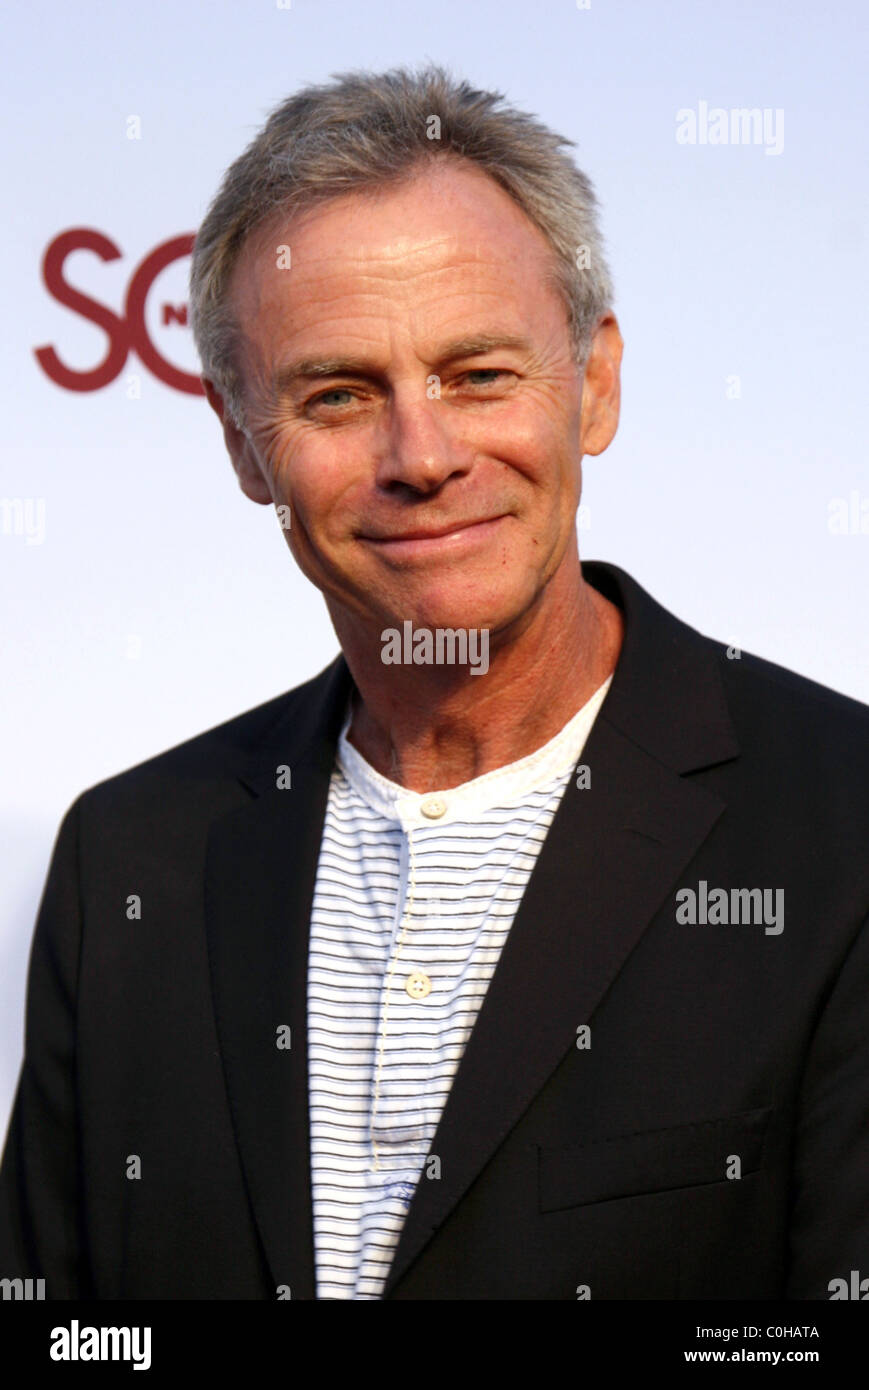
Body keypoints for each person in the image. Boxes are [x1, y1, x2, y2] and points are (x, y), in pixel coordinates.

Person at [1, 64, 867, 1301]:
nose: (421, 454)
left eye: (478, 374)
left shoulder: (840, 827)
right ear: (244, 442)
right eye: (337, 395)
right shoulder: (130, 859)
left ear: (595, 385)